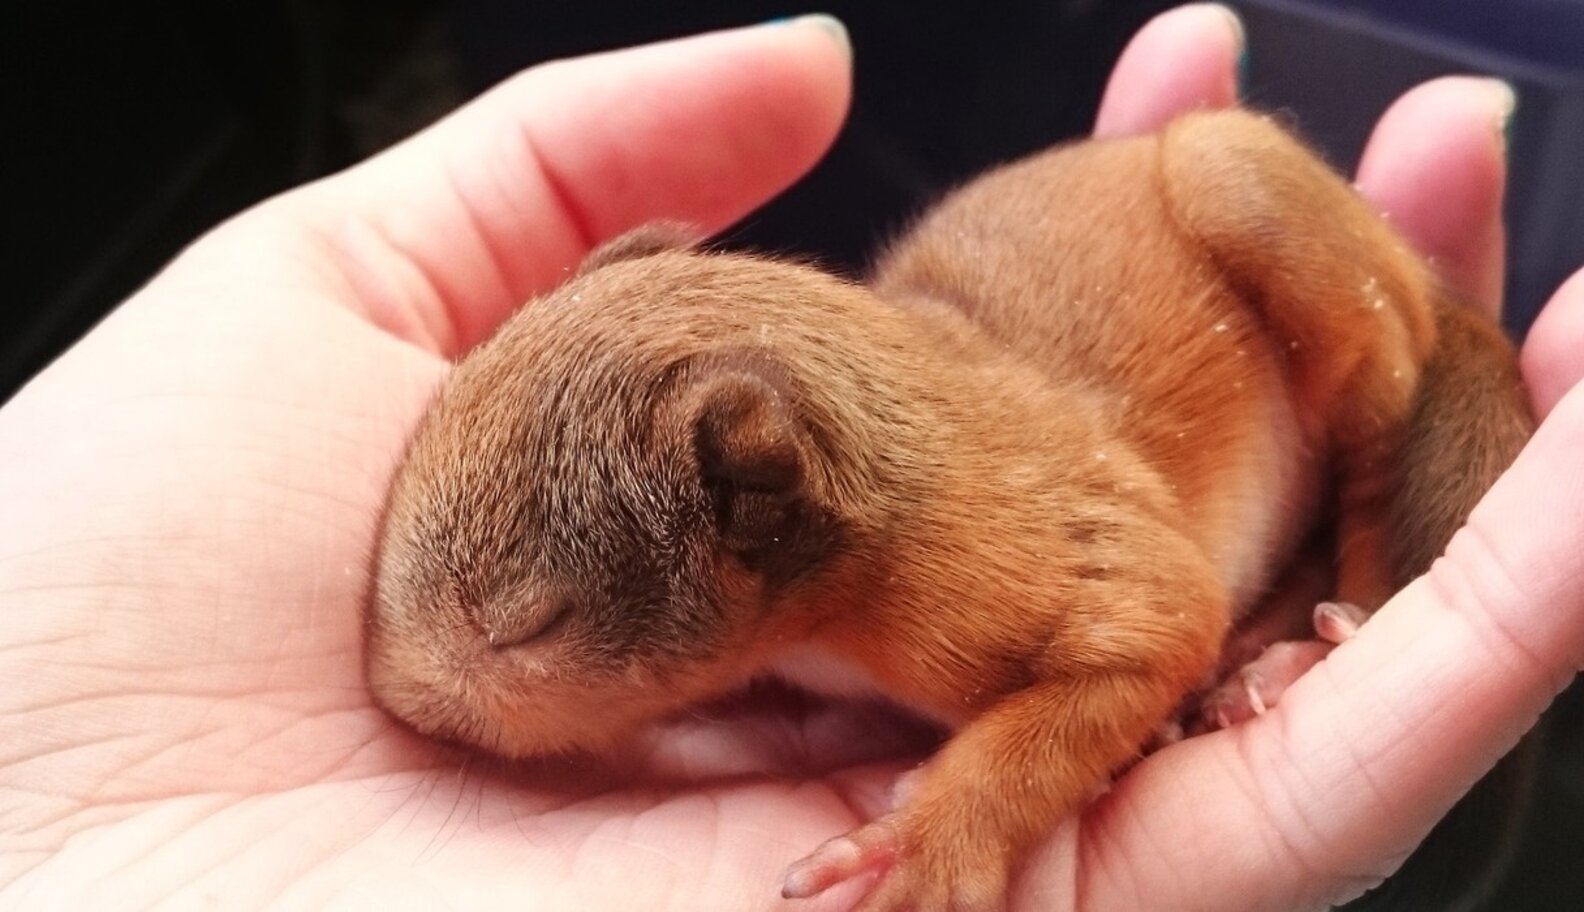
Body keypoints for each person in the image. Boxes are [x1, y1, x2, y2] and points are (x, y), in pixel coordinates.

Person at [1, 5, 1579, 909]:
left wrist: (965, 816)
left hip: (1240, 307)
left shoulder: (960, 573)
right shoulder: (774, 520)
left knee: (1231, 170)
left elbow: (1153, 609)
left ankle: (1361, 541)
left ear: (760, 515)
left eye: (524, 629)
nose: (418, 689)